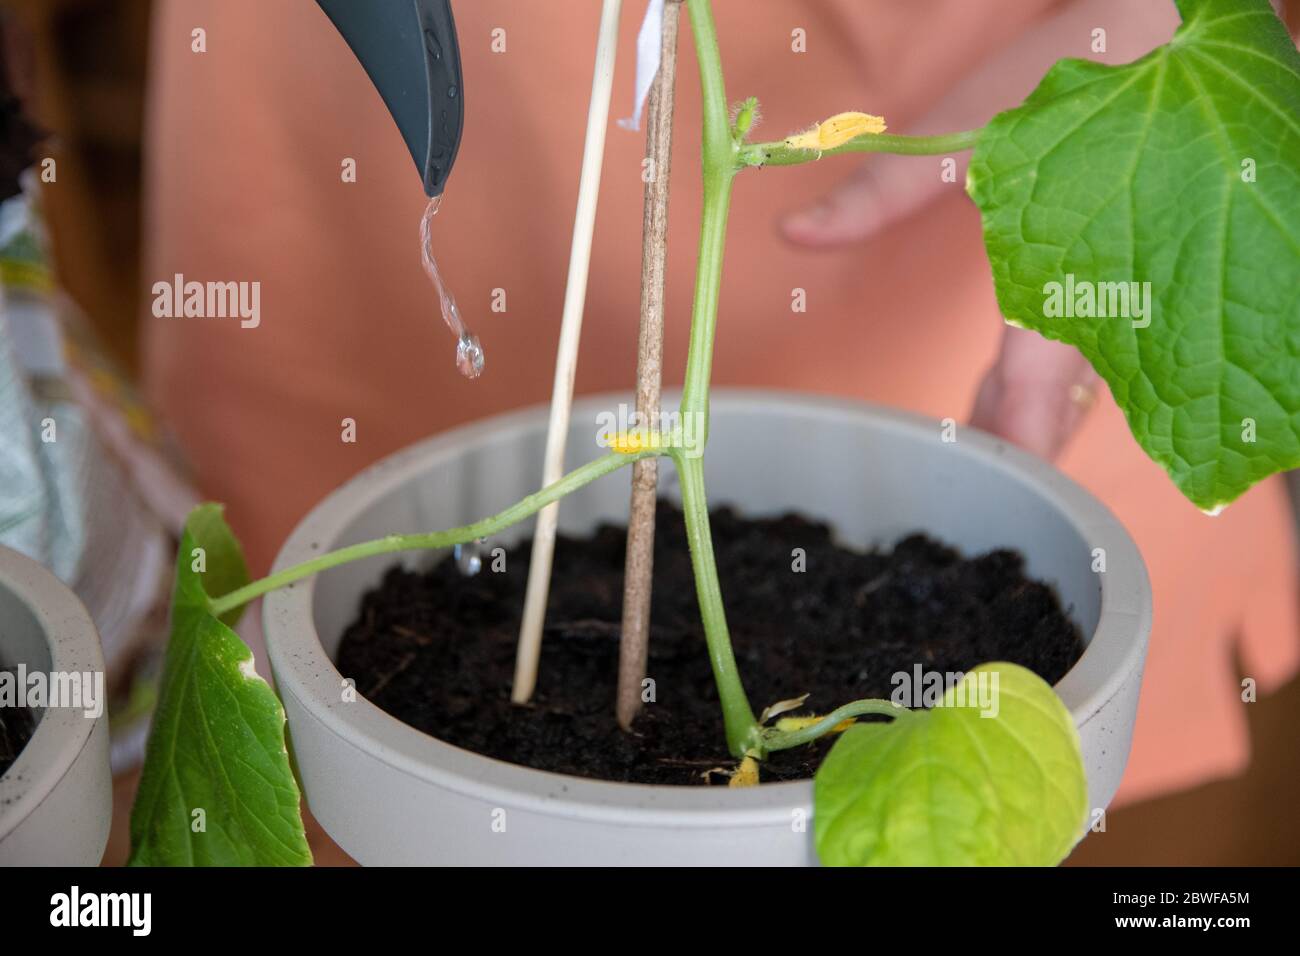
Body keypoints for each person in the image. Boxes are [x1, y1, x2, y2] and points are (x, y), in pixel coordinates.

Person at [142, 0, 1298, 826]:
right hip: (370, 85)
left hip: (975, 66)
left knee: (1014, 618)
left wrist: (1127, 81)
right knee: (323, 643)